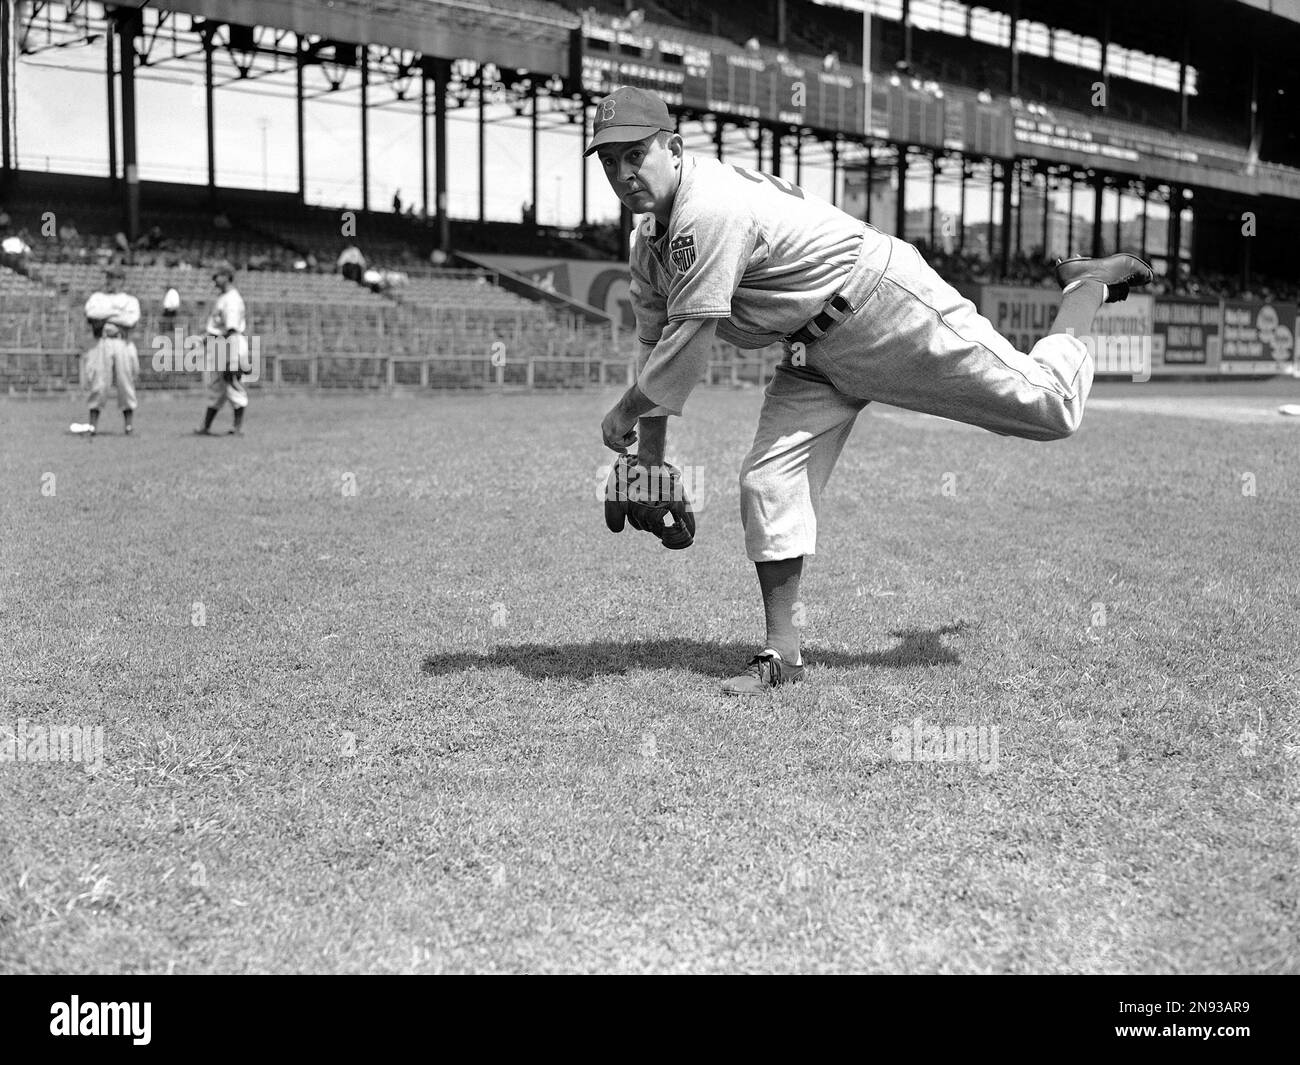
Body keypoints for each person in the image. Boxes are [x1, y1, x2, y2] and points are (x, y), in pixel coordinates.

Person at [588, 86, 1155, 696]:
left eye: (635, 154)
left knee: (1050, 408)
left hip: (880, 304)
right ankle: (782, 654)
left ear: (672, 148)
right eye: (608, 161)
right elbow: (656, 340)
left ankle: (1085, 291)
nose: (623, 173)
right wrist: (648, 457)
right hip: (810, 351)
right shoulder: (648, 241)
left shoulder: (710, 207)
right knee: (767, 480)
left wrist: (622, 414)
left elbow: (687, 344)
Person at [79, 266, 141, 436]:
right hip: (102, 342)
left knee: (126, 382)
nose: (110, 281)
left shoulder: (130, 300)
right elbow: (91, 314)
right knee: (98, 383)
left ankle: (128, 425)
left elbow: (130, 320)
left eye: (114, 277)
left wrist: (105, 316)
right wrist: (116, 313)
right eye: (108, 277)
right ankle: (92, 425)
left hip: (122, 342)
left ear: (122, 280)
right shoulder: (97, 297)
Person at [194, 260, 250, 436]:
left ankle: (237, 427)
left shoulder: (232, 300)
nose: (214, 279)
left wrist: (231, 359)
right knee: (217, 388)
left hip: (229, 345)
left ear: (227, 277)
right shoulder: (224, 298)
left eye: (217, 275)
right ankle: (206, 427)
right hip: (221, 345)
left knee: (233, 386)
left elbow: (231, 330)